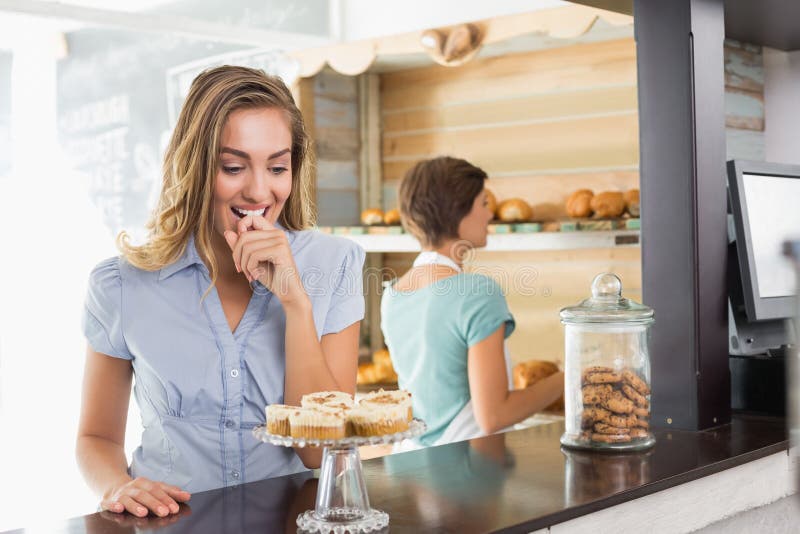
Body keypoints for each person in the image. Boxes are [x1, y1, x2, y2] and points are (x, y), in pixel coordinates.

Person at [77, 65, 365, 518]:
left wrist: (296, 303)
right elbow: (96, 437)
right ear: (194, 167)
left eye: (277, 167)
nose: (258, 190)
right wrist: (118, 486)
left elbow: (322, 453)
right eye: (233, 167)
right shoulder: (121, 285)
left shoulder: (334, 264)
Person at [381, 156, 563, 448]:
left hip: (409, 465)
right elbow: (494, 415)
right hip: (464, 473)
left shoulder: (393, 294)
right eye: (484, 204)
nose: (490, 215)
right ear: (458, 211)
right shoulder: (476, 292)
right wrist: (570, 377)